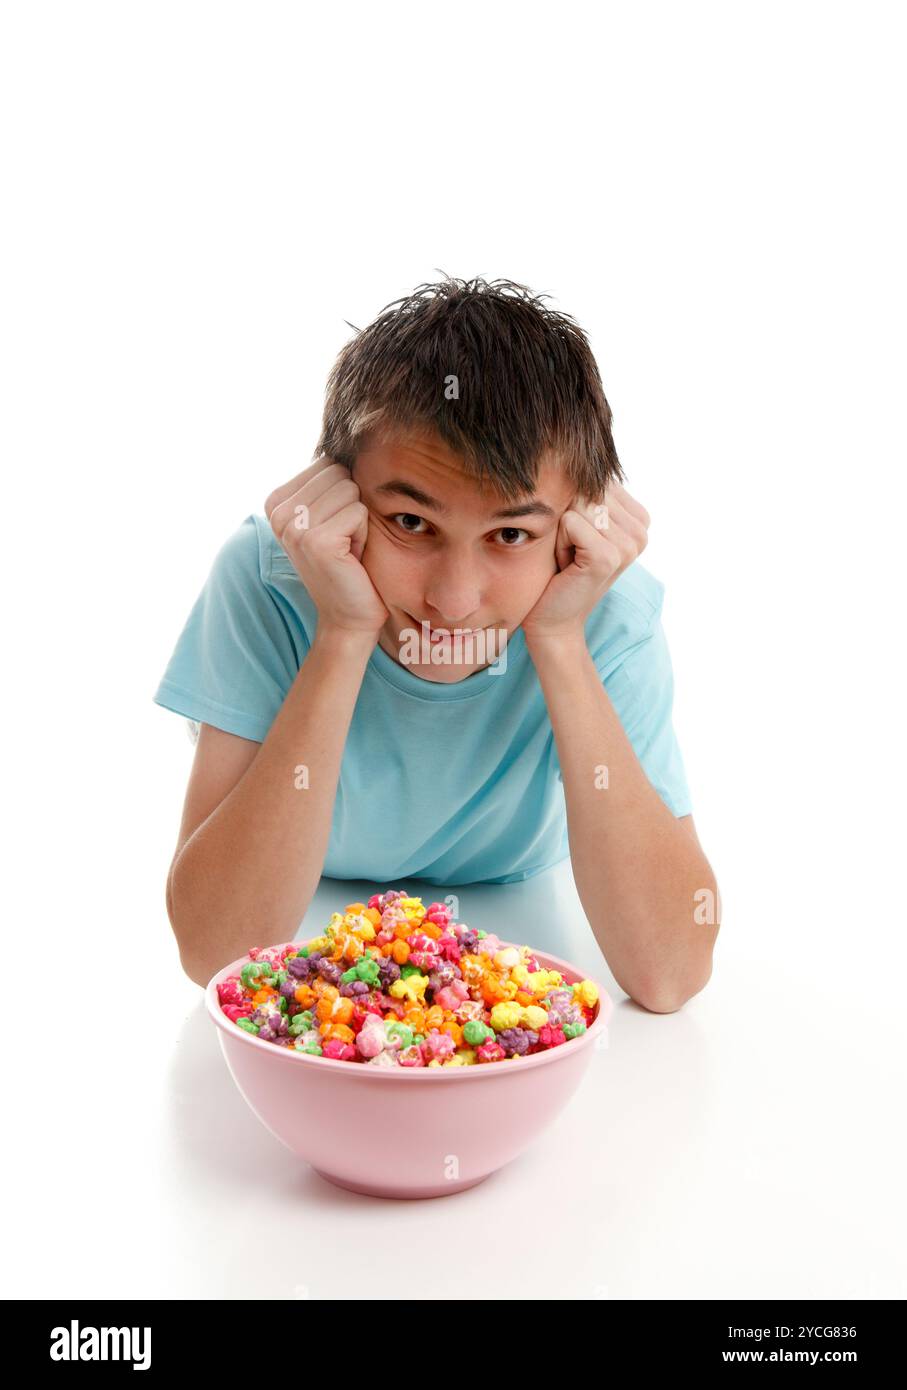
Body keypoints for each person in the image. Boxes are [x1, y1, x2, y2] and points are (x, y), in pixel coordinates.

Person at [154, 276, 720, 1008]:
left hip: (521, 909)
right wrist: (343, 632)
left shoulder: (607, 610)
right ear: (340, 494)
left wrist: (558, 638)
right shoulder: (271, 580)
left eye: (510, 535)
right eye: (411, 524)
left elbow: (668, 974)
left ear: (572, 529)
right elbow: (216, 954)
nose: (452, 602)